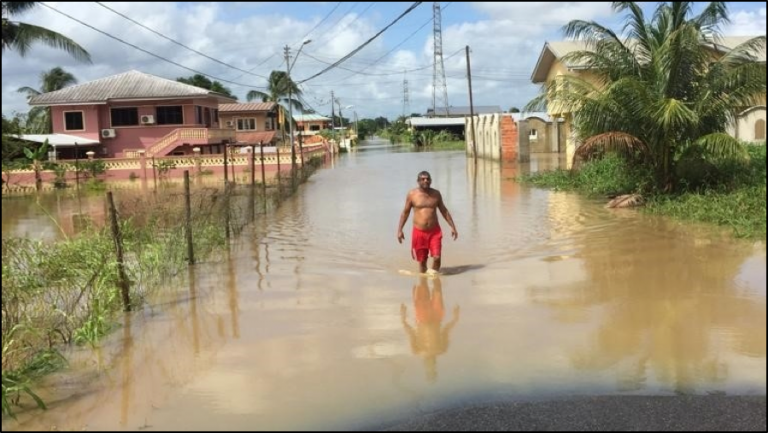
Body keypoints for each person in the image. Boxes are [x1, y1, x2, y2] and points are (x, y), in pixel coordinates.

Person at [397, 171, 458, 274]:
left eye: (428, 179)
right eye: (423, 179)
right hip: (419, 232)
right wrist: (400, 230)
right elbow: (405, 213)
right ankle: (423, 283)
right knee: (422, 261)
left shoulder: (436, 194)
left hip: (434, 231)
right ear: (418, 181)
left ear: (431, 180)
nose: (426, 180)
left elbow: (444, 211)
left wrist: (453, 227)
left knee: (437, 257)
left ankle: (434, 279)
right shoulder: (412, 195)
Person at [400, 277, 460, 383]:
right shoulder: (441, 349)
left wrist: (403, 319)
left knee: (425, 285)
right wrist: (455, 318)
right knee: (436, 289)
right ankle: (431, 271)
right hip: (436, 316)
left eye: (430, 367)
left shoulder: (418, 350)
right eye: (432, 367)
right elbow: (446, 331)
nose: (431, 364)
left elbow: (411, 333)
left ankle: (429, 270)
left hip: (423, 317)